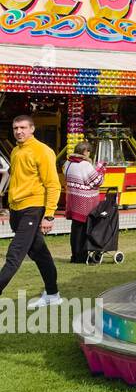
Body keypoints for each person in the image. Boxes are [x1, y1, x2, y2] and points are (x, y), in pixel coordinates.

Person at [0, 114, 62, 308]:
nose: (19, 131)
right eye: (15, 128)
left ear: (32, 129)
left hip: (33, 208)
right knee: (40, 253)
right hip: (17, 209)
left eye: (23, 128)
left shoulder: (43, 151)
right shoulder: (16, 151)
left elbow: (53, 185)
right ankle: (53, 294)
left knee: (15, 253)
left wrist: (49, 215)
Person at [64, 141, 105, 266]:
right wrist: (101, 170)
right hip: (85, 201)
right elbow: (96, 181)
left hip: (73, 198)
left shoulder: (68, 163)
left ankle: (75, 255)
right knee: (84, 230)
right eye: (89, 151)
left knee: (75, 229)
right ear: (85, 151)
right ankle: (82, 256)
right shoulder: (85, 165)